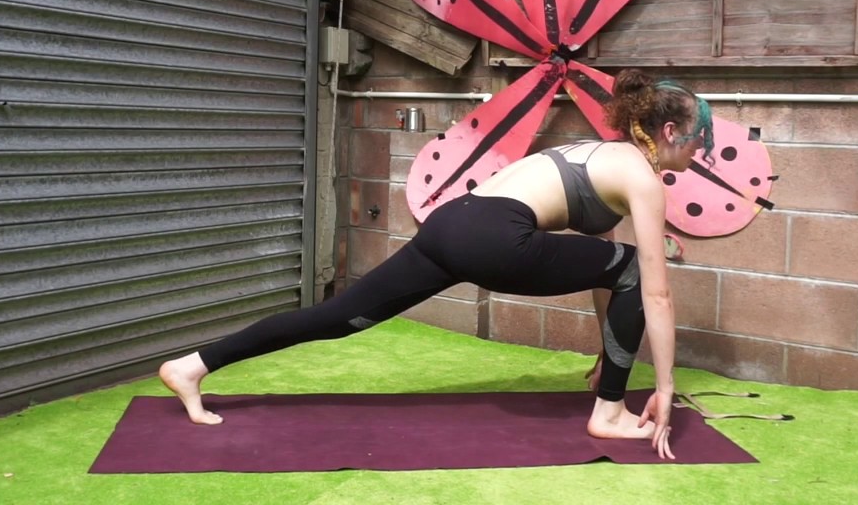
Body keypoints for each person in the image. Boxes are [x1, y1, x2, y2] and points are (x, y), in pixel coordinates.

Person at [158, 68, 714, 461]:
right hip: (495, 236)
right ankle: (608, 414)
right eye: (699, 141)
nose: (699, 153)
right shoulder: (642, 178)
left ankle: (193, 365)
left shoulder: (600, 156)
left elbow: (607, 274)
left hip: (455, 223)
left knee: (343, 315)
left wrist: (607, 356)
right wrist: (662, 385)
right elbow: (652, 291)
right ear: (670, 132)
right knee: (639, 267)